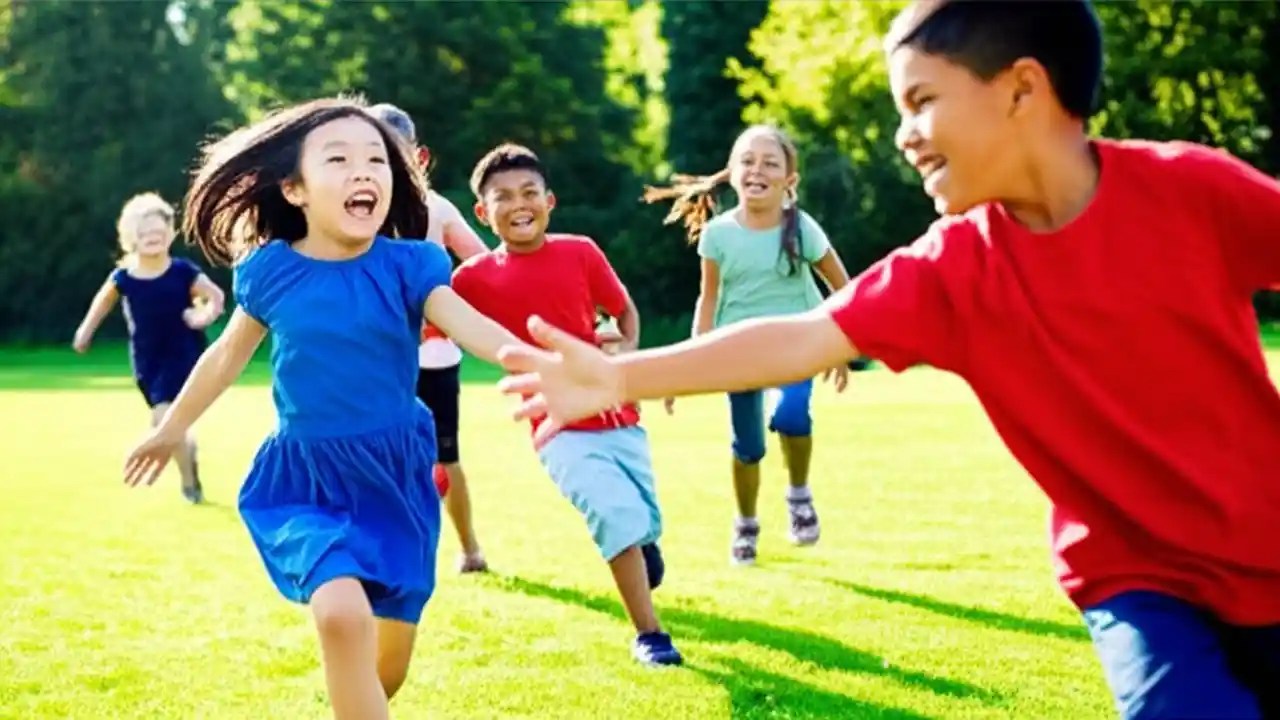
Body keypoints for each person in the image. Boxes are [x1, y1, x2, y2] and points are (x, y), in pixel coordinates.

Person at [493, 2, 1280, 716]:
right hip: (1139, 585)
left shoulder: (1190, 192)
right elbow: (800, 337)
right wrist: (623, 373)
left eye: (922, 102)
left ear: (1022, 89)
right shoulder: (951, 271)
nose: (903, 133)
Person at [121, 97, 529, 720]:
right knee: (340, 614)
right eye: (338, 159)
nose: (363, 171)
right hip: (306, 478)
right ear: (295, 189)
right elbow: (225, 358)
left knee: (383, 671)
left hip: (395, 477)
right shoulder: (272, 273)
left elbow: (474, 329)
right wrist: (170, 427)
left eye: (377, 160)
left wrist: (538, 361)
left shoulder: (410, 265)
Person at [452, 142, 682, 666]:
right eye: (503, 197)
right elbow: (432, 318)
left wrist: (623, 352)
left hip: (620, 417)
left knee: (641, 520)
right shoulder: (471, 280)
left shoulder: (580, 251)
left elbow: (623, 313)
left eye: (529, 192)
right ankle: (651, 635)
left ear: (549, 200)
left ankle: (643, 549)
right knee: (612, 513)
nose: (519, 204)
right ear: (483, 214)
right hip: (554, 425)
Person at [642, 124, 853, 566]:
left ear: (788, 181)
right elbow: (710, 298)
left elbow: (841, 285)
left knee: (791, 414)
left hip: (799, 342)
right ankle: (746, 523)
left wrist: (846, 341)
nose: (757, 169)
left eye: (770, 163)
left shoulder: (801, 227)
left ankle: (798, 494)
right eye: (747, 161)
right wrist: (687, 365)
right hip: (737, 349)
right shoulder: (718, 234)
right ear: (732, 173)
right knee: (749, 446)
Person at [368, 102, 490, 574]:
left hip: (435, 355)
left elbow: (480, 266)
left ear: (419, 158)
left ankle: (470, 547)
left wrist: (444, 311)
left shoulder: (436, 208)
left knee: (445, 454)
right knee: (379, 448)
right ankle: (389, 546)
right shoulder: (356, 210)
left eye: (394, 155)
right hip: (378, 356)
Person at [73, 191, 224, 504]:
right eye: (144, 234)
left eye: (158, 232)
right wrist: (85, 332)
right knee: (168, 423)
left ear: (170, 233)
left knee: (165, 420)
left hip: (184, 353)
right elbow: (102, 304)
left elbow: (216, 298)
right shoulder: (124, 278)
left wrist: (202, 315)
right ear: (130, 238)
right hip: (147, 360)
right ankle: (189, 465)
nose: (152, 238)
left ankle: (189, 486)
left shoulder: (182, 272)